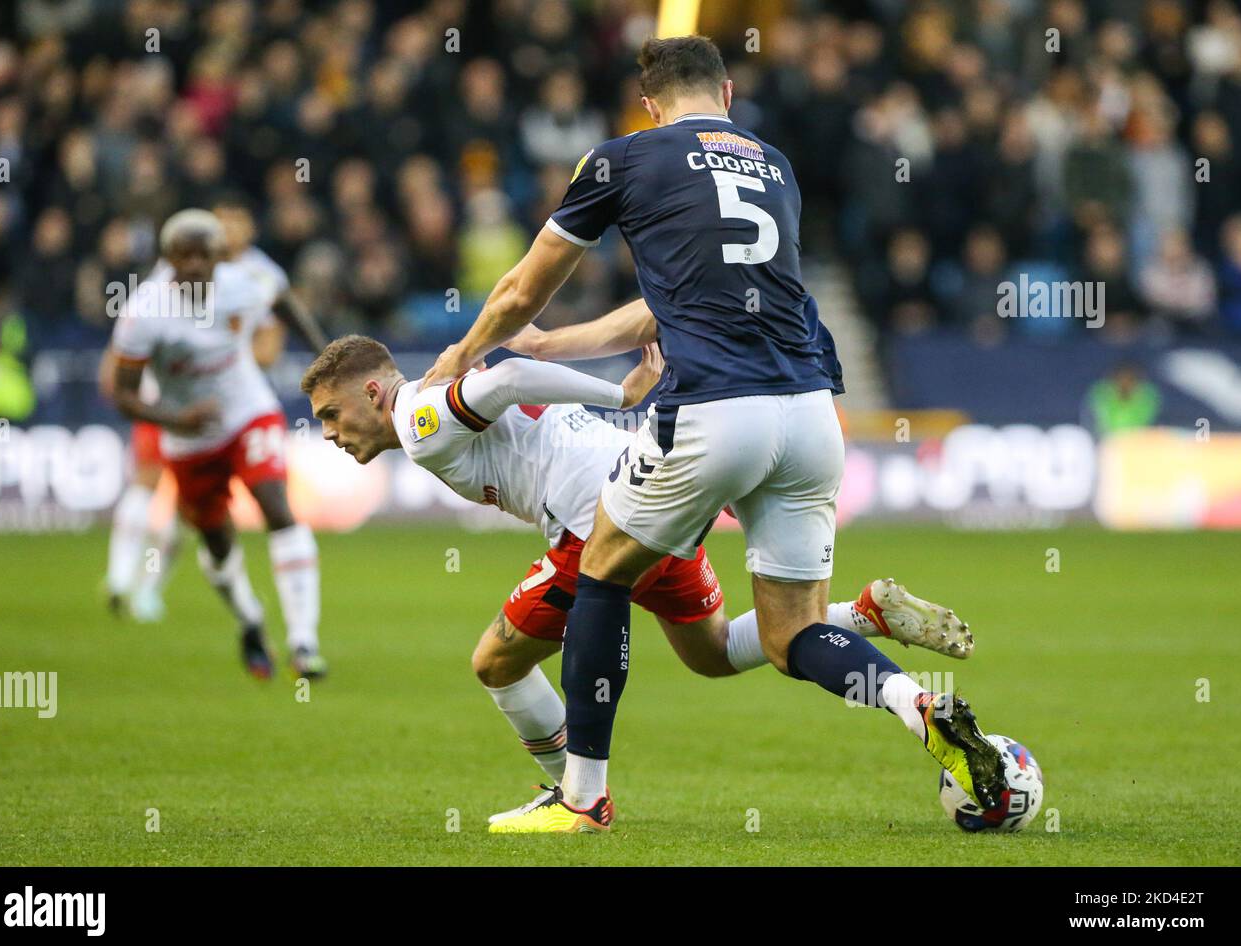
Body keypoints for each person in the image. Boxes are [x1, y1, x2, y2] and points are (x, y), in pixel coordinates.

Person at [421, 36, 1008, 831]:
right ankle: (915, 704)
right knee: (789, 634)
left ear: (651, 105)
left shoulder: (621, 158)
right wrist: (559, 347)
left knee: (600, 573)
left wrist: (460, 354)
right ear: (728, 95)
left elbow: (527, 284)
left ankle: (583, 798)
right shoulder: (773, 165)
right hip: (809, 414)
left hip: (712, 411)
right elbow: (689, 297)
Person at [302, 334, 974, 819]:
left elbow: (507, 376)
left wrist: (617, 391)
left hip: (590, 519)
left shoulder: (416, 420)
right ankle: (861, 615)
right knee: (712, 653)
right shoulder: (427, 402)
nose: (330, 433)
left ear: (372, 390)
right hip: (650, 491)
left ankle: (572, 795)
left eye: (332, 414)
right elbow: (503, 383)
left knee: (496, 663)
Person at [108, 209, 325, 679]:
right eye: (180, 256)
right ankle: (249, 617)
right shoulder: (143, 312)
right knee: (216, 539)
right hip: (188, 438)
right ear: (166, 258)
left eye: (200, 255)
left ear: (217, 257)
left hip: (248, 411)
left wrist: (325, 354)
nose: (190, 265)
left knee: (276, 506)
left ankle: (304, 643)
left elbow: (283, 298)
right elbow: (122, 393)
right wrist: (176, 418)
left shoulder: (244, 282)